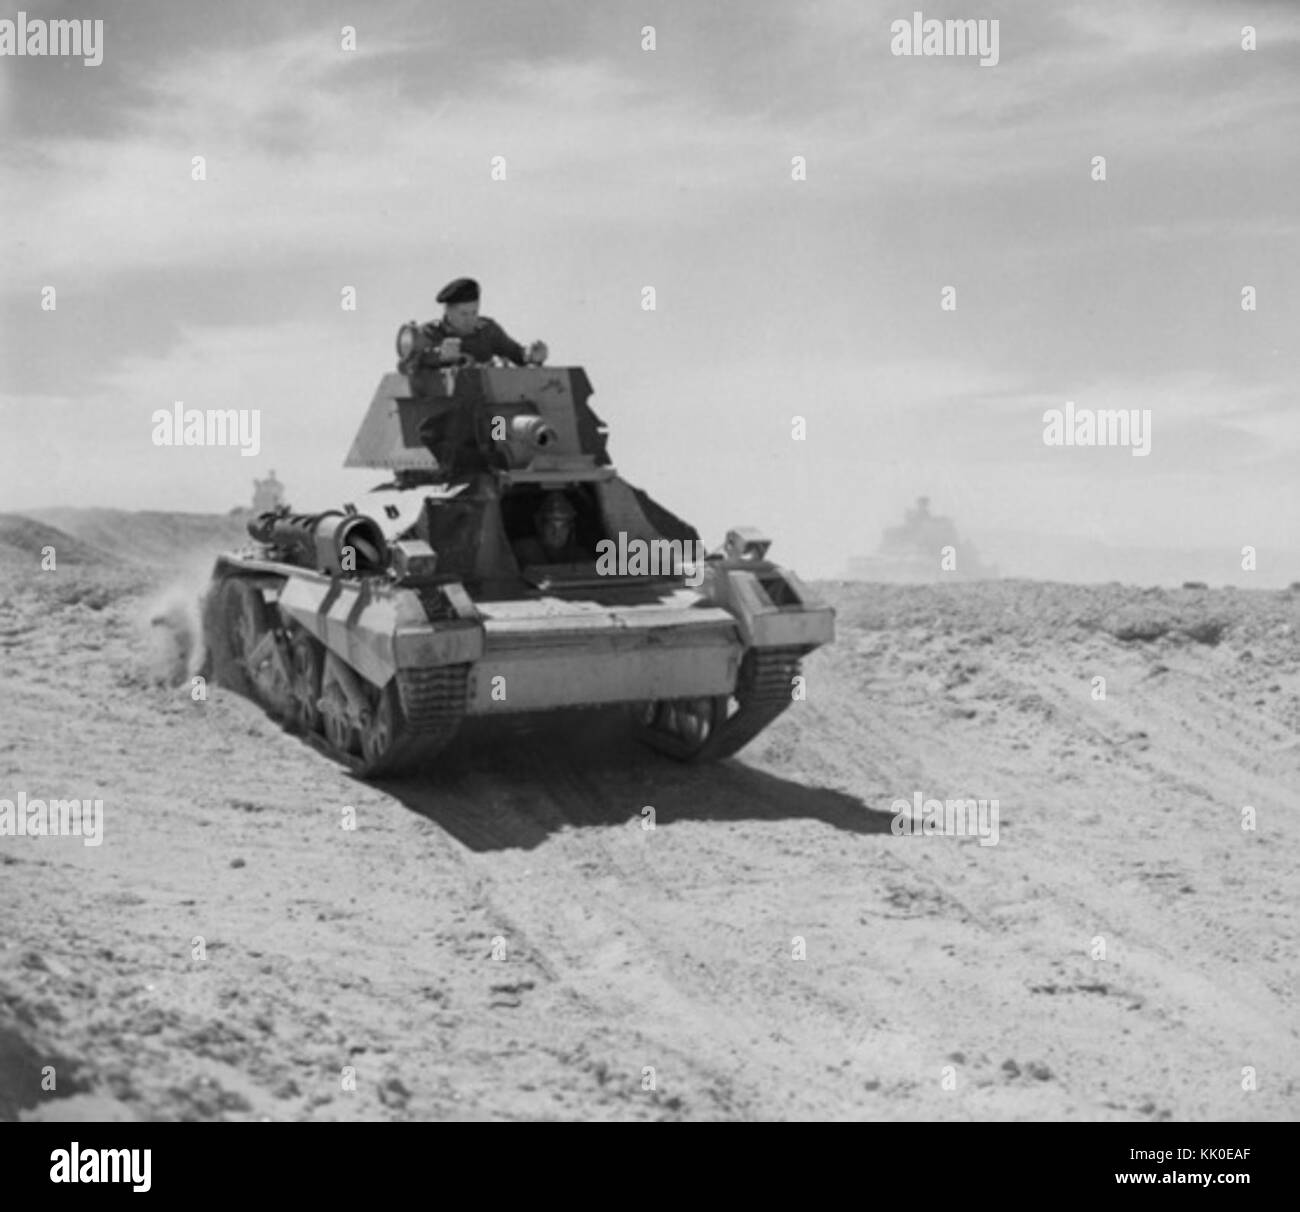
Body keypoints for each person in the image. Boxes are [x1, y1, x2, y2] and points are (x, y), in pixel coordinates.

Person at [417, 278, 547, 368]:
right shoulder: (429, 332)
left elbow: (516, 353)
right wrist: (438, 356)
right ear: (447, 311)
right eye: (463, 314)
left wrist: (532, 354)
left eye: (474, 312)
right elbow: (413, 362)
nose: (470, 319)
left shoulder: (488, 330)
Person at [512, 492, 584, 565]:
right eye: (551, 526)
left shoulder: (579, 556)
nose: (557, 533)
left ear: (570, 529)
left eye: (563, 527)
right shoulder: (523, 551)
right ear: (540, 526)